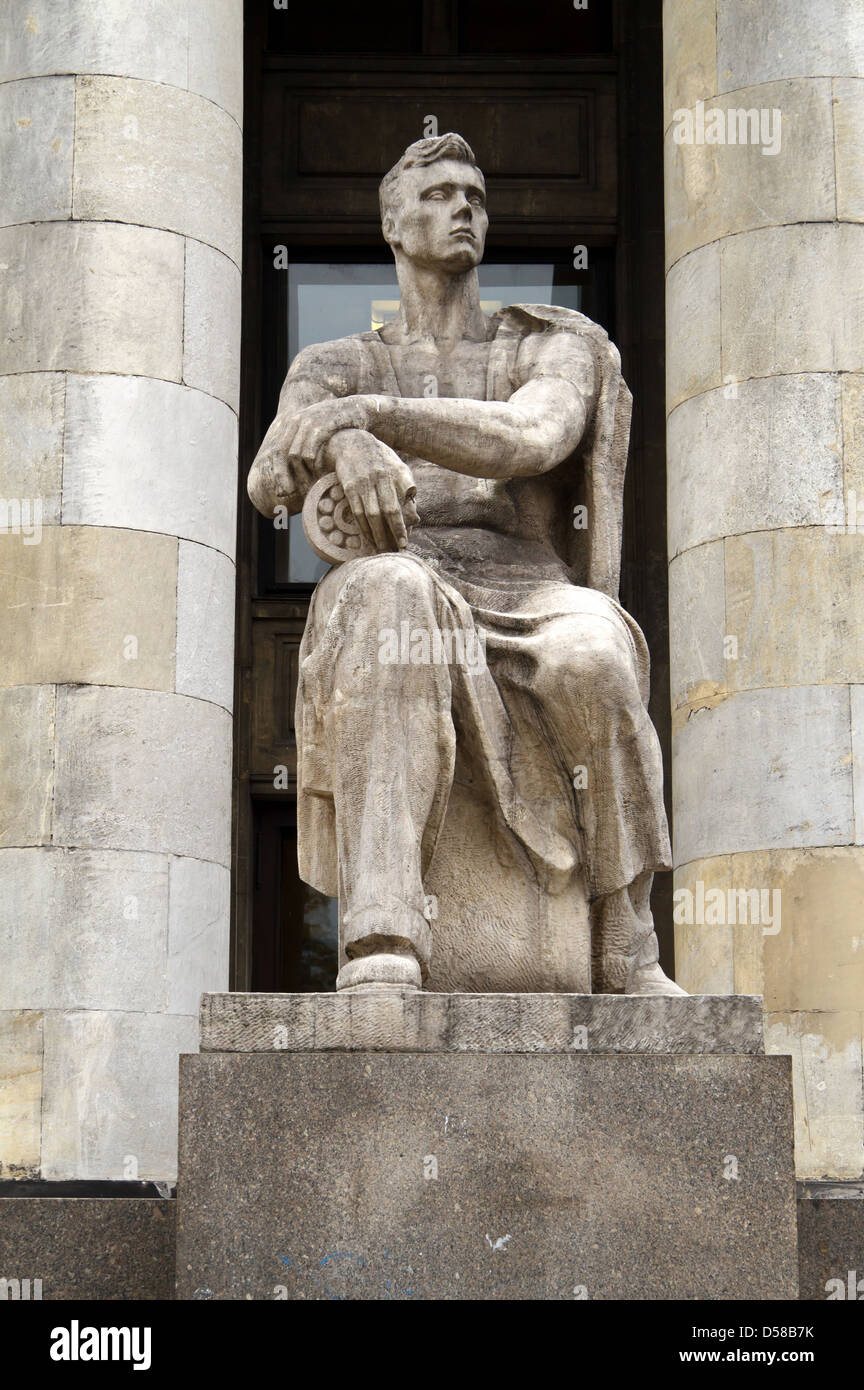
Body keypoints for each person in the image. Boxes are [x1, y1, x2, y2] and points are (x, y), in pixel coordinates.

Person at [248, 133, 684, 996]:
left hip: (528, 583)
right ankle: (385, 932)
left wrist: (365, 419)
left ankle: (627, 935)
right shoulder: (330, 364)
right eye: (442, 195)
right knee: (389, 596)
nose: (464, 211)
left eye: (475, 198)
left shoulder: (548, 344)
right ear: (393, 224)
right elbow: (269, 481)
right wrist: (343, 439)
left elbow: (533, 436)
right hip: (403, 568)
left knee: (595, 653)